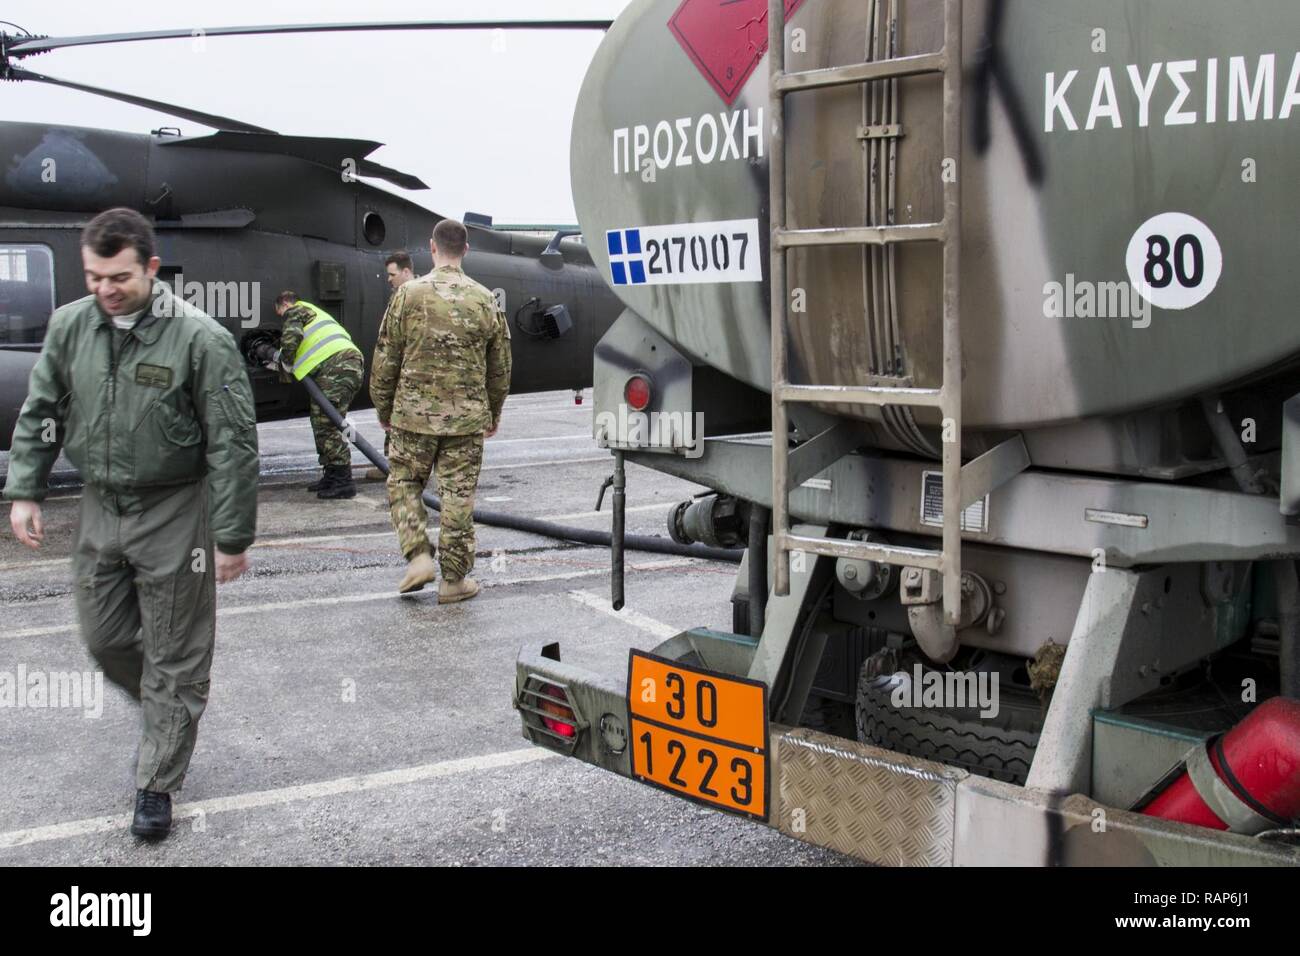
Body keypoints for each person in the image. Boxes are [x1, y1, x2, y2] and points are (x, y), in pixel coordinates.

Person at [3, 207, 259, 841]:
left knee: (175, 650)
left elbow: (233, 441)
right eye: (93, 277)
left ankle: (156, 783)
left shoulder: (199, 338)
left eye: (118, 277)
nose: (105, 290)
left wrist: (232, 536)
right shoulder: (70, 327)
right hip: (99, 506)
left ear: (150, 267)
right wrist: (25, 490)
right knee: (104, 638)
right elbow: (42, 409)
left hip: (174, 509)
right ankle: (171, 708)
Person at [371, 219, 511, 598]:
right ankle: (453, 580)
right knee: (457, 497)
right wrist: (493, 413)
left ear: (432, 248)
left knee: (403, 483)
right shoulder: (485, 299)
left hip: (412, 416)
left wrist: (383, 408)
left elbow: (386, 357)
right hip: (466, 420)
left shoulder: (407, 295)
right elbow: (500, 369)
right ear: (465, 250)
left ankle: (418, 557)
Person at [272, 292, 365, 499]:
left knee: (327, 422)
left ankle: (343, 480)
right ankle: (332, 474)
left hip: (338, 366)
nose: (282, 318)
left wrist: (284, 362)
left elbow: (291, 338)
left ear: (285, 303)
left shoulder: (295, 310)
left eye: (280, 313)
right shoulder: (312, 312)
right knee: (321, 420)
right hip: (342, 366)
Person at [364, 253, 417, 482]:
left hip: (410, 371)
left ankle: (402, 467)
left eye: (392, 274)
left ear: (406, 272)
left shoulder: (413, 296)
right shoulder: (400, 296)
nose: (388, 279)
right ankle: (393, 464)